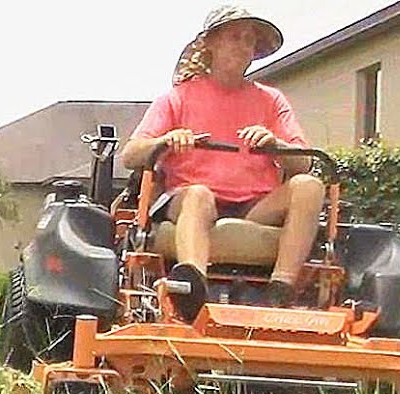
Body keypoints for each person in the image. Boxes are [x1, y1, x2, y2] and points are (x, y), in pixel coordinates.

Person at [120, 5, 325, 321]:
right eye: (234, 37)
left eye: (249, 41)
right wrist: (166, 140)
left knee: (310, 187)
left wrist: (275, 145)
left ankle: (280, 290)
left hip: (257, 208)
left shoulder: (272, 101)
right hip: (191, 202)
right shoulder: (177, 98)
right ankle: (192, 290)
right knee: (199, 194)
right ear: (210, 44)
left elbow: (303, 165)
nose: (243, 47)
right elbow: (130, 156)